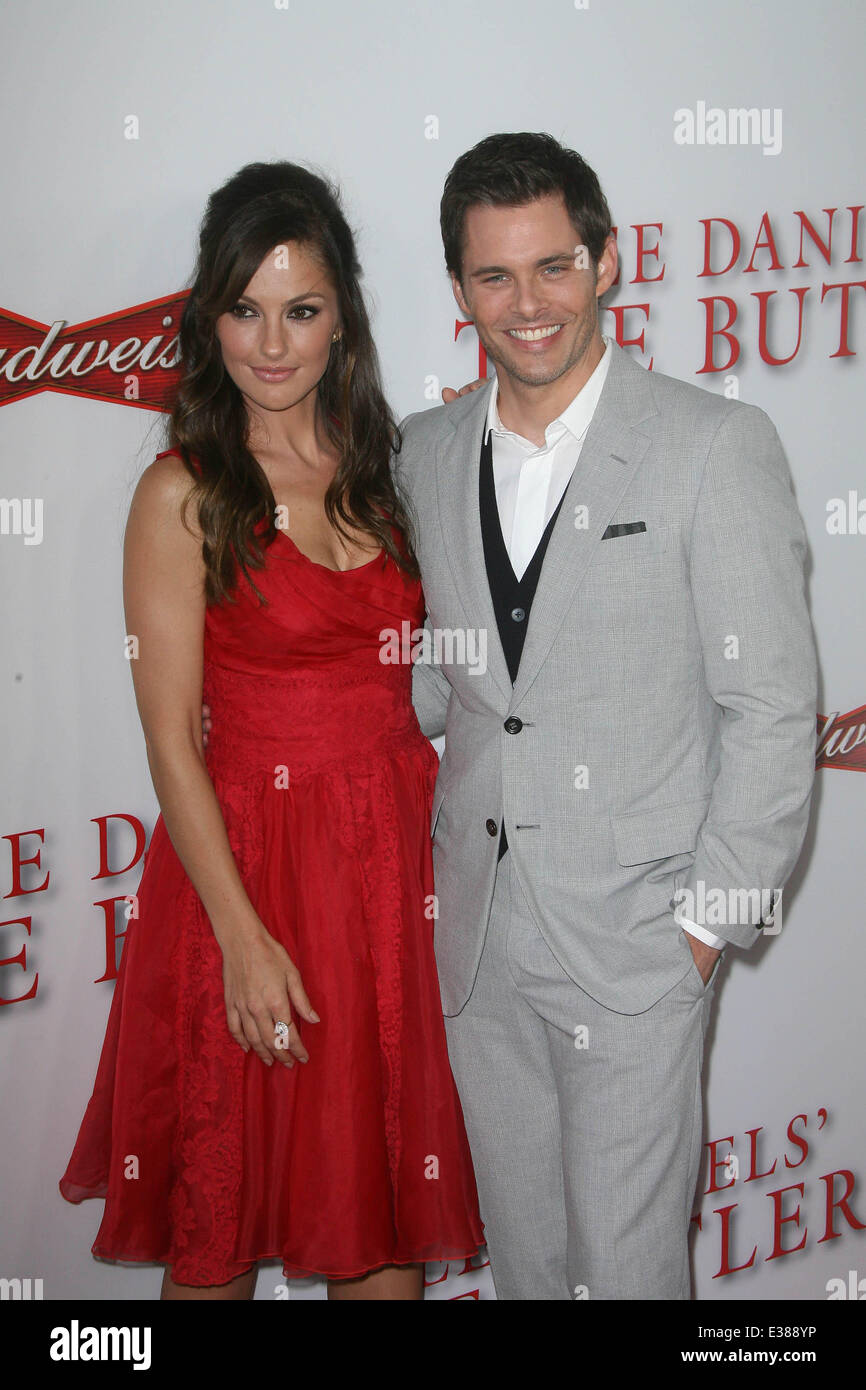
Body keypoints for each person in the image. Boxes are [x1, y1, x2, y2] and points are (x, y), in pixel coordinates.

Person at [394, 131, 818, 1300]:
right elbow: (438, 684)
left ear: (607, 262)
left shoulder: (708, 446)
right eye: (493, 275)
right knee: (527, 1267)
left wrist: (700, 933)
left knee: (628, 1275)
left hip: (635, 946)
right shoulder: (420, 457)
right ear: (458, 290)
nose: (526, 303)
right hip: (475, 945)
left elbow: (774, 709)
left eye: (553, 266)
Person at [59, 160, 483, 1301]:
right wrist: (242, 938)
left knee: (380, 1233)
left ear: (341, 311)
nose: (272, 341)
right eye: (243, 308)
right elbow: (169, 743)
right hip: (246, 879)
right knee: (221, 1222)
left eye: (300, 308)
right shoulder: (182, 492)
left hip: (388, 877)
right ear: (210, 316)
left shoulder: (392, 468)